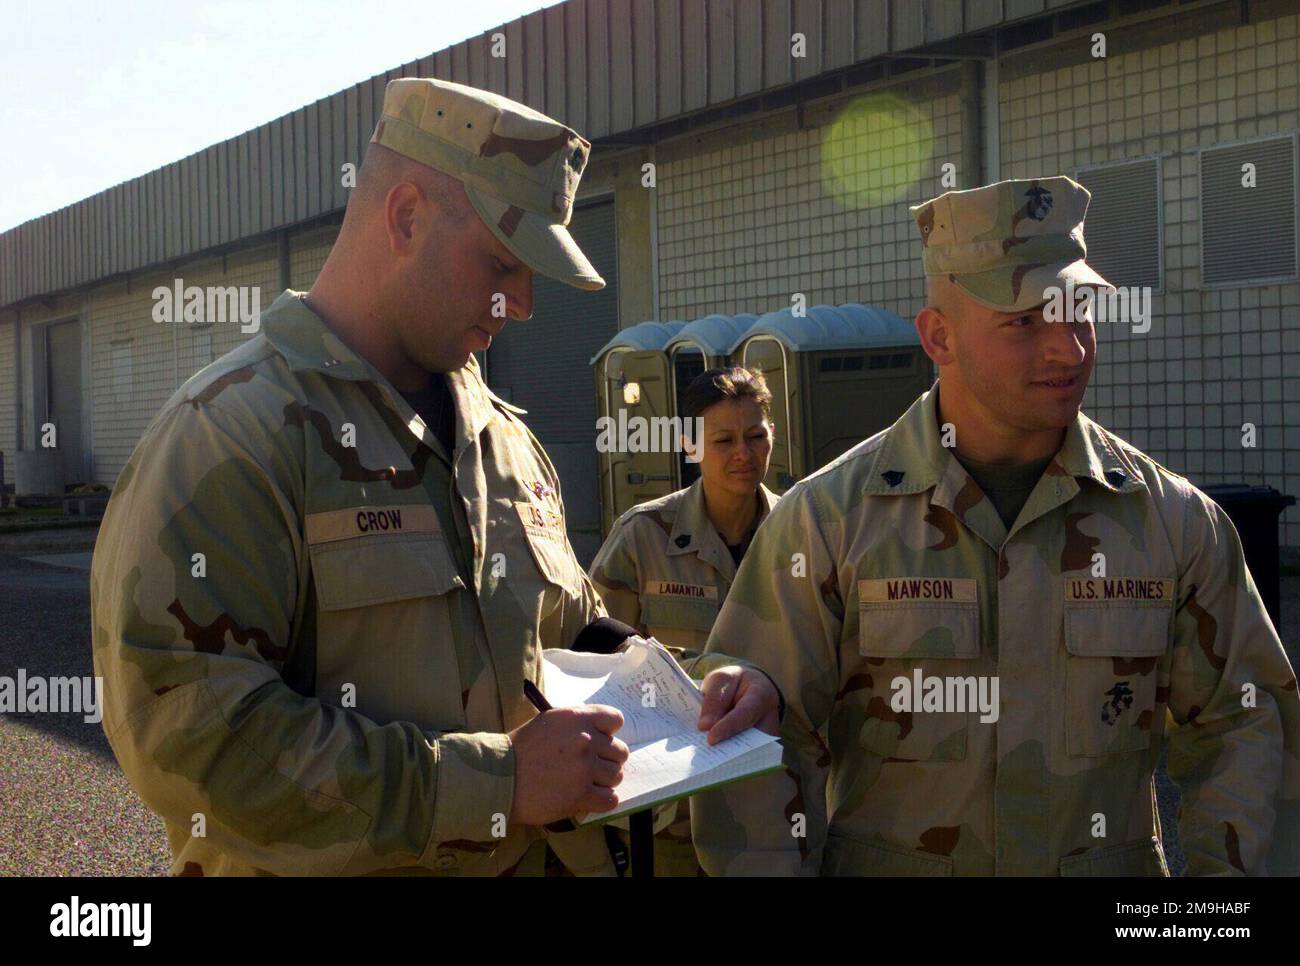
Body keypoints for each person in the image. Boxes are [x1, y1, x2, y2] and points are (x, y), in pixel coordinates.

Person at [90, 76, 778, 877]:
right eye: (503, 263)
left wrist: (697, 691)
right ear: (407, 217)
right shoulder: (231, 434)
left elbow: (569, 634)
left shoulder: (504, 438)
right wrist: (495, 785)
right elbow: (194, 739)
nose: (524, 304)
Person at [690, 176, 1300, 876]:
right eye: (1025, 322)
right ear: (939, 336)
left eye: (1078, 313)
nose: (1069, 350)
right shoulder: (829, 522)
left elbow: (1243, 726)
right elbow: (754, 745)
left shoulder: (1174, 522)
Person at [589, 366, 781, 874]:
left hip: (771, 806)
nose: (743, 453)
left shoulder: (798, 535)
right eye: (723, 440)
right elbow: (595, 656)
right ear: (690, 445)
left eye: (755, 436)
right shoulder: (643, 537)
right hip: (670, 812)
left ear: (772, 435)